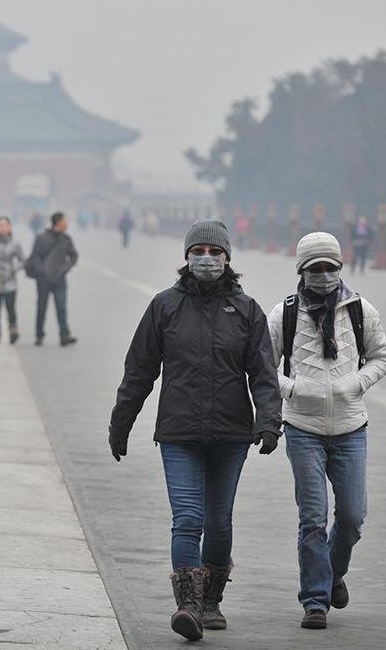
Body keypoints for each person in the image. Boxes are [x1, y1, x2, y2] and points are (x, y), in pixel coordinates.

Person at [108, 219, 282, 641]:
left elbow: (263, 371)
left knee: (219, 521)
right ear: (185, 257)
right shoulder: (164, 306)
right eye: (198, 251)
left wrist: (269, 420)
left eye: (215, 252)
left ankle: (211, 601)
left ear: (227, 258)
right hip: (179, 432)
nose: (207, 258)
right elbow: (140, 370)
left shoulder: (246, 310)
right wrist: (122, 422)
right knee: (187, 518)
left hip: (230, 433)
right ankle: (187, 604)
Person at [267, 232, 386, 630]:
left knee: (354, 516)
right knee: (313, 518)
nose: (323, 276)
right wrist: (291, 388)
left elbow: (382, 356)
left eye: (330, 268)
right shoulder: (283, 314)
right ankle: (315, 600)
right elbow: (263, 368)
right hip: (302, 428)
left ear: (340, 267)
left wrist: (355, 383)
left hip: (351, 426)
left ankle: (333, 573)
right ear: (302, 271)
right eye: (315, 269)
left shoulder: (360, 310)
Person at [25, 212, 78, 346]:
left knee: (61, 308)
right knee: (41, 308)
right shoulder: (41, 238)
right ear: (59, 222)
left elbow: (74, 256)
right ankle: (39, 335)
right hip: (43, 280)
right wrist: (42, 271)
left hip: (60, 279)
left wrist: (64, 269)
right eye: (65, 220)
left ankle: (64, 335)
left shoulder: (66, 239)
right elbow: (35, 256)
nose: (67, 222)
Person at [0, 216, 25, 344]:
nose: (3, 228)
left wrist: (15, 268)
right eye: (1, 226)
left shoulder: (15, 243)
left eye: (6, 225)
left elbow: (22, 260)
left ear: (10, 227)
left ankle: (13, 330)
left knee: (10, 308)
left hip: (10, 281)